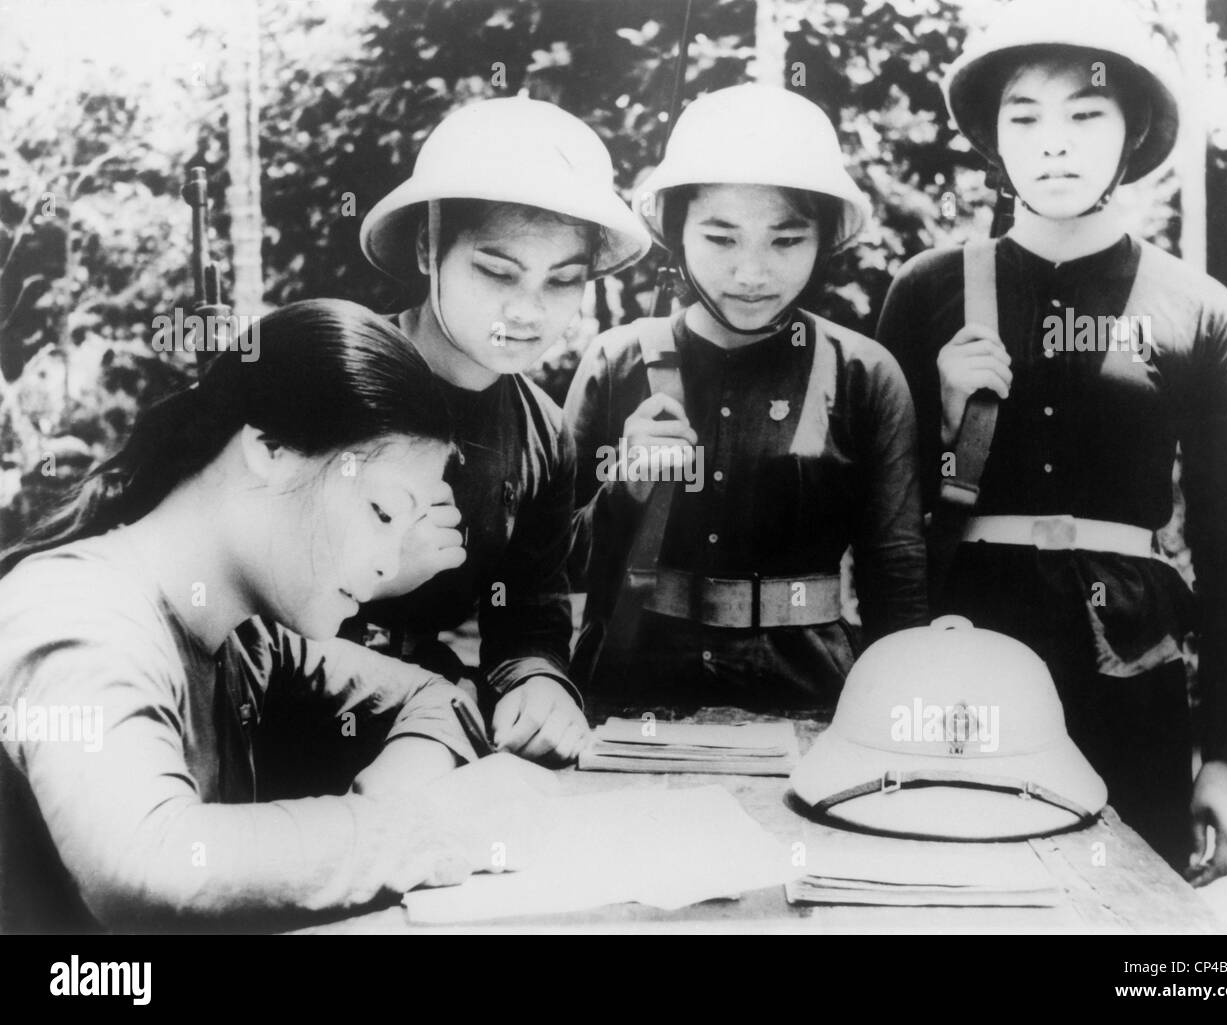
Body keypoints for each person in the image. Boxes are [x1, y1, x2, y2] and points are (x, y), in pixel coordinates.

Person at [876, 0, 1227, 882]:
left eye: (1085, 114)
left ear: (1130, 132)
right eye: (1025, 116)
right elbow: (884, 520)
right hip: (964, 659)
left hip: (1131, 678)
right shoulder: (929, 290)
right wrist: (948, 431)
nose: (1053, 142)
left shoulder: (1197, 310)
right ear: (994, 136)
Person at [0, 300, 556, 933]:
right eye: (381, 512)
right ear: (270, 448)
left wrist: (393, 798)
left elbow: (438, 698)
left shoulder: (248, 640)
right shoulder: (77, 613)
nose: (390, 562)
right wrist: (418, 831)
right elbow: (150, 865)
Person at [565, 84, 928, 712]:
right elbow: (551, 565)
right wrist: (624, 488)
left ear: (823, 238)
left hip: (809, 700)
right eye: (721, 237)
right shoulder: (614, 360)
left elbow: (896, 579)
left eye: (786, 240)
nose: (752, 273)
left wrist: (896, 724)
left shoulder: (865, 374)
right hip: (628, 692)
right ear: (677, 232)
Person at [354, 97, 652, 763]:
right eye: (497, 271)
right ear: (430, 247)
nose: (528, 310)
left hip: (424, 734)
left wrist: (538, 683)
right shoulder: (333, 379)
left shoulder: (544, 435)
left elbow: (527, 612)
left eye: (563, 281)